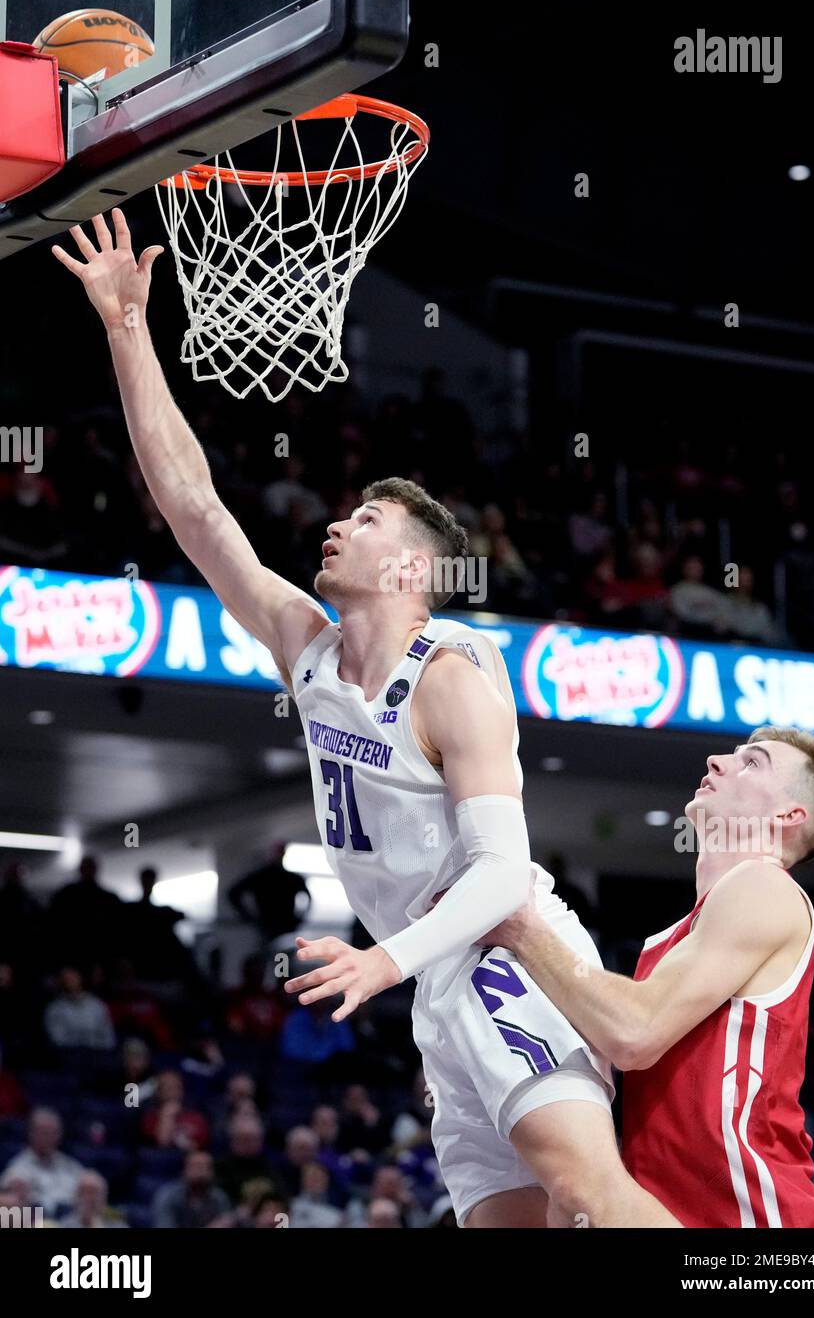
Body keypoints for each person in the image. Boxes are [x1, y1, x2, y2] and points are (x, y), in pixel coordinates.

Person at [53, 211, 679, 1230]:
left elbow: (497, 873)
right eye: (343, 513)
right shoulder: (304, 645)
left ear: (411, 568)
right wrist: (128, 327)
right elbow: (194, 509)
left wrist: (380, 960)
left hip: (501, 953)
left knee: (587, 1193)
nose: (336, 523)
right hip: (432, 980)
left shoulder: (453, 675)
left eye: (367, 519)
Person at [480, 727, 814, 1229]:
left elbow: (634, 1032)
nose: (717, 760)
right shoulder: (678, 937)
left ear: (787, 817)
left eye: (753, 763)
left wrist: (525, 931)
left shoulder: (765, 886)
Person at [0, 1108, 84, 1219]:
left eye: (52, 1133)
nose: (48, 1138)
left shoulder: (71, 1166)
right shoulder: (17, 1168)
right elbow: (7, 1209)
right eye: (43, 1133)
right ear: (31, 1134)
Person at [228, 843, 310, 945]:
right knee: (280, 954)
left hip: (273, 925)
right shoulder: (287, 878)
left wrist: (248, 916)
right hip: (276, 924)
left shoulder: (261, 876)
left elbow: (233, 893)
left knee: (277, 953)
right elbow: (233, 893)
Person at [152, 1151, 231, 1229]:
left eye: (207, 1167)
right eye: (197, 1166)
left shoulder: (220, 1198)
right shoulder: (167, 1196)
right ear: (184, 1170)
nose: (201, 1172)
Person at [44, 967, 117, 1051]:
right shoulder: (54, 1009)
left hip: (97, 1055)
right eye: (66, 979)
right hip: (68, 1056)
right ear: (61, 981)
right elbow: (57, 1040)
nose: (69, 981)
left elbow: (109, 1038)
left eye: (72, 977)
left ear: (80, 978)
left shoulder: (97, 1005)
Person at [58, 1170, 127, 1228]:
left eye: (94, 1192)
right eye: (83, 1192)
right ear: (75, 1198)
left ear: (104, 1197)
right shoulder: (65, 1225)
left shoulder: (117, 1224)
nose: (88, 1198)